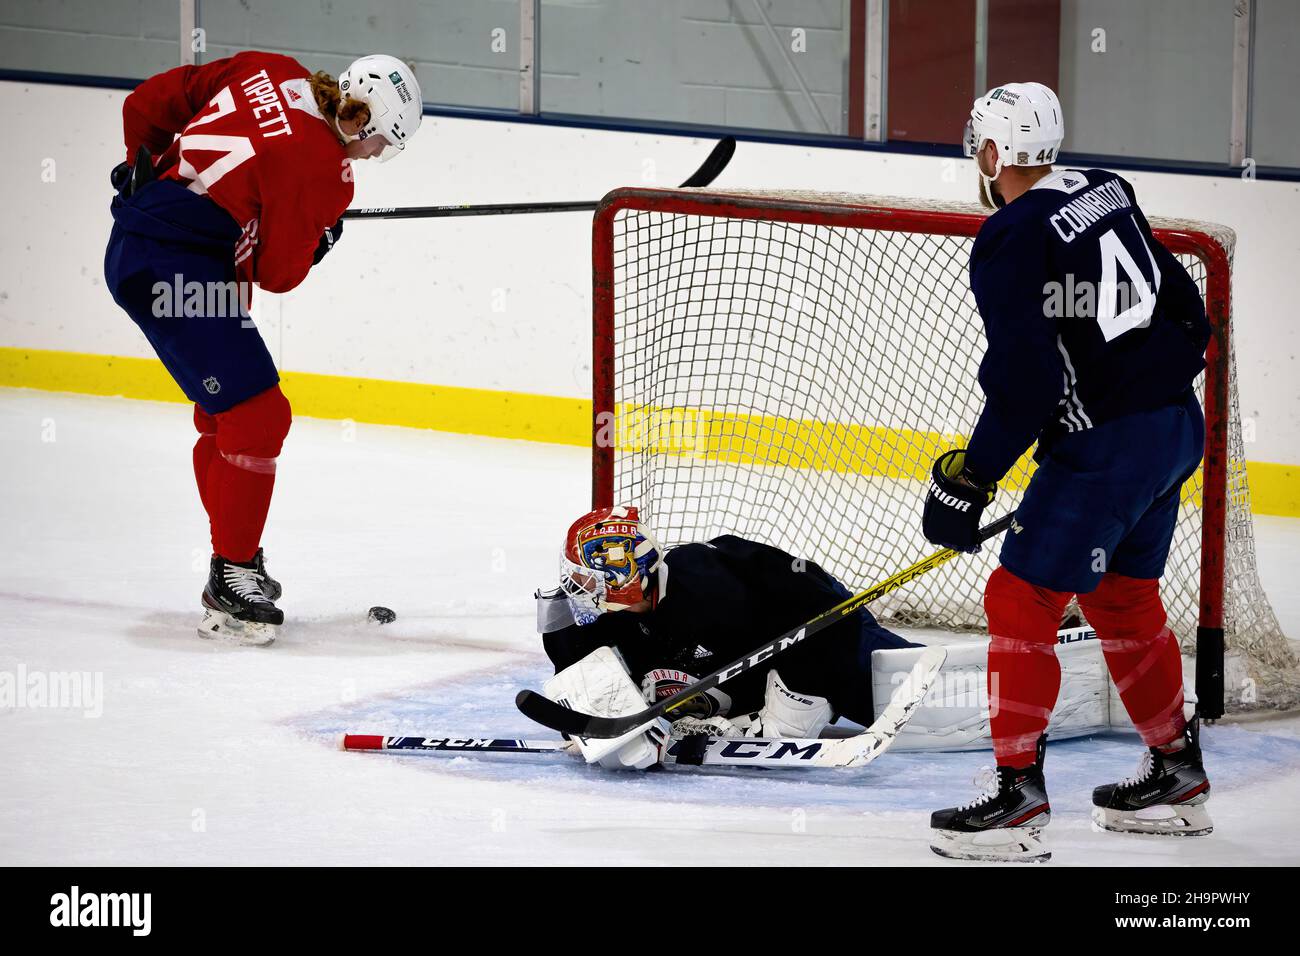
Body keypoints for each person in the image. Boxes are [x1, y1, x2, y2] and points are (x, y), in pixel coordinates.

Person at [921, 82, 1213, 861]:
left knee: (1019, 595)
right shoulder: (1106, 190)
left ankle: (1016, 802)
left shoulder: (1011, 235)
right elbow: (1188, 310)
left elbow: (1030, 383)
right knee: (1120, 598)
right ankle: (1177, 772)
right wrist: (1146, 392)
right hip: (1177, 427)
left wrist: (971, 477)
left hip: (1107, 449)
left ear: (989, 152)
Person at [104, 51, 423, 646]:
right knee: (258, 414)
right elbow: (278, 273)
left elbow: (143, 104)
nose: (375, 154)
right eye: (380, 142)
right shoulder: (322, 169)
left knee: (227, 415)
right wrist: (323, 235)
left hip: (144, 242)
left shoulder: (268, 68)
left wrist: (137, 167)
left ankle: (237, 559)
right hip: (176, 274)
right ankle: (231, 578)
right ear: (358, 119)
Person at [535, 505, 917, 769]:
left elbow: (824, 614)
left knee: (925, 705)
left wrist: (793, 707)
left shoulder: (709, 583)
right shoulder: (619, 617)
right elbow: (580, 672)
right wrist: (599, 722)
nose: (578, 588)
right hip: (764, 660)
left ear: (624, 569)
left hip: (838, 637)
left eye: (587, 576)